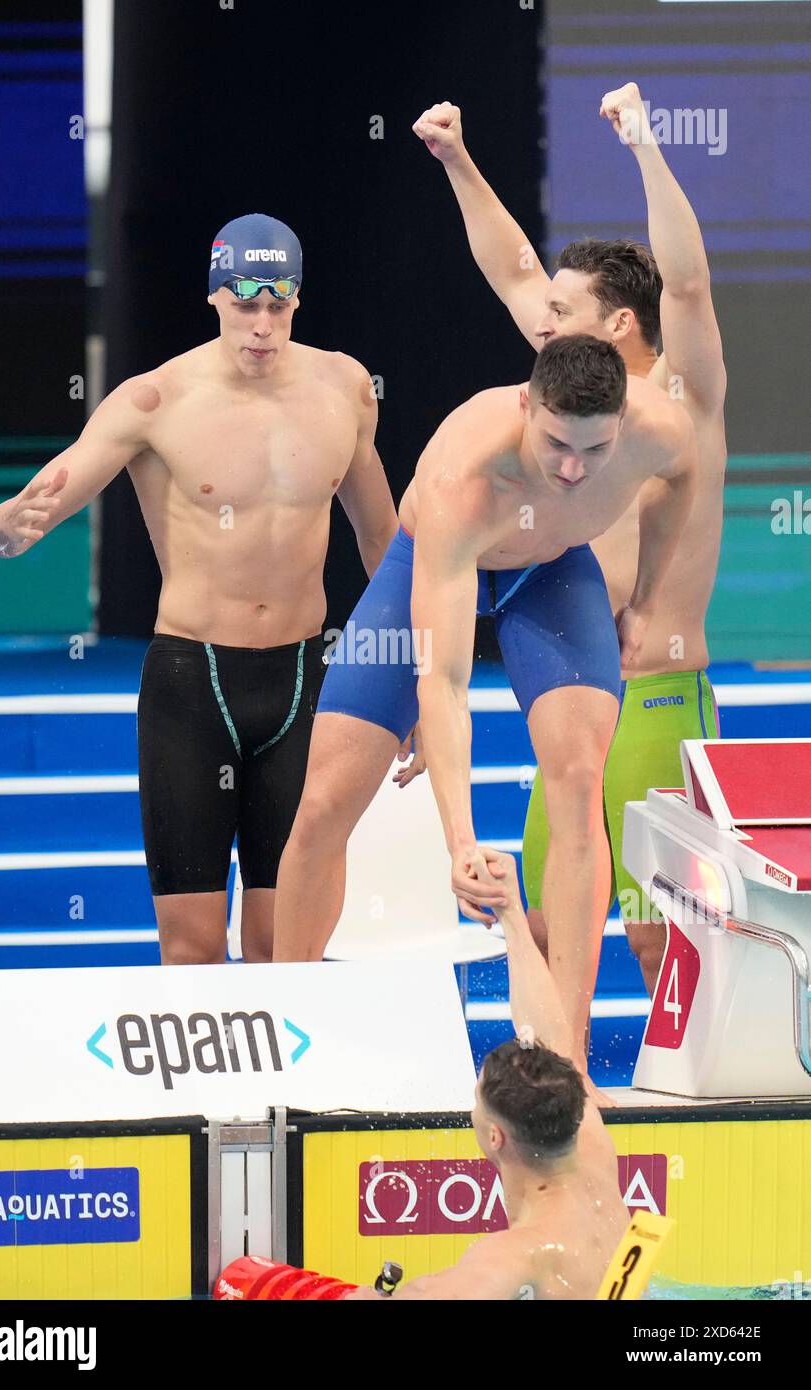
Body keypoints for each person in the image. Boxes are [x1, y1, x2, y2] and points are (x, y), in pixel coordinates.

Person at [273, 333, 696, 1089]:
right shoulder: (462, 479)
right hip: (432, 563)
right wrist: (460, 844)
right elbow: (444, 681)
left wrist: (649, 597)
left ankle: (565, 1056)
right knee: (324, 803)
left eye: (593, 451)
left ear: (624, 426)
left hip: (554, 571)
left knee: (576, 777)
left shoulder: (660, 430)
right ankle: (280, 1038)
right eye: (556, 444)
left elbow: (681, 483)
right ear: (527, 407)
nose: (571, 470)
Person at [0, 213, 398, 965]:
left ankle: (288, 1092)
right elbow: (49, 497)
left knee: (284, 948)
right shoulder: (154, 400)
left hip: (303, 680)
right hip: (192, 686)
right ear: (215, 298)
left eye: (278, 304)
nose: (262, 325)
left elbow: (383, 543)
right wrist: (7, 527)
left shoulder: (345, 387)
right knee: (193, 948)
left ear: (298, 299)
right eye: (245, 304)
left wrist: (416, 673)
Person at [412, 90, 727, 995]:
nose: (539, 318)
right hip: (579, 693)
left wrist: (644, 144)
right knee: (550, 923)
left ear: (620, 323)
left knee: (659, 937)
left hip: (659, 688)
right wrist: (459, 162)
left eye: (561, 309)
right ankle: (564, 1093)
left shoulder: (680, 396)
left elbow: (690, 284)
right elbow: (511, 268)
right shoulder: (570, 397)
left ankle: (693, 1122)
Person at [345, 851, 629, 1300]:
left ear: (495, 1136)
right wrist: (511, 912)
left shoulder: (515, 1255)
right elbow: (551, 1039)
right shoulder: (593, 1163)